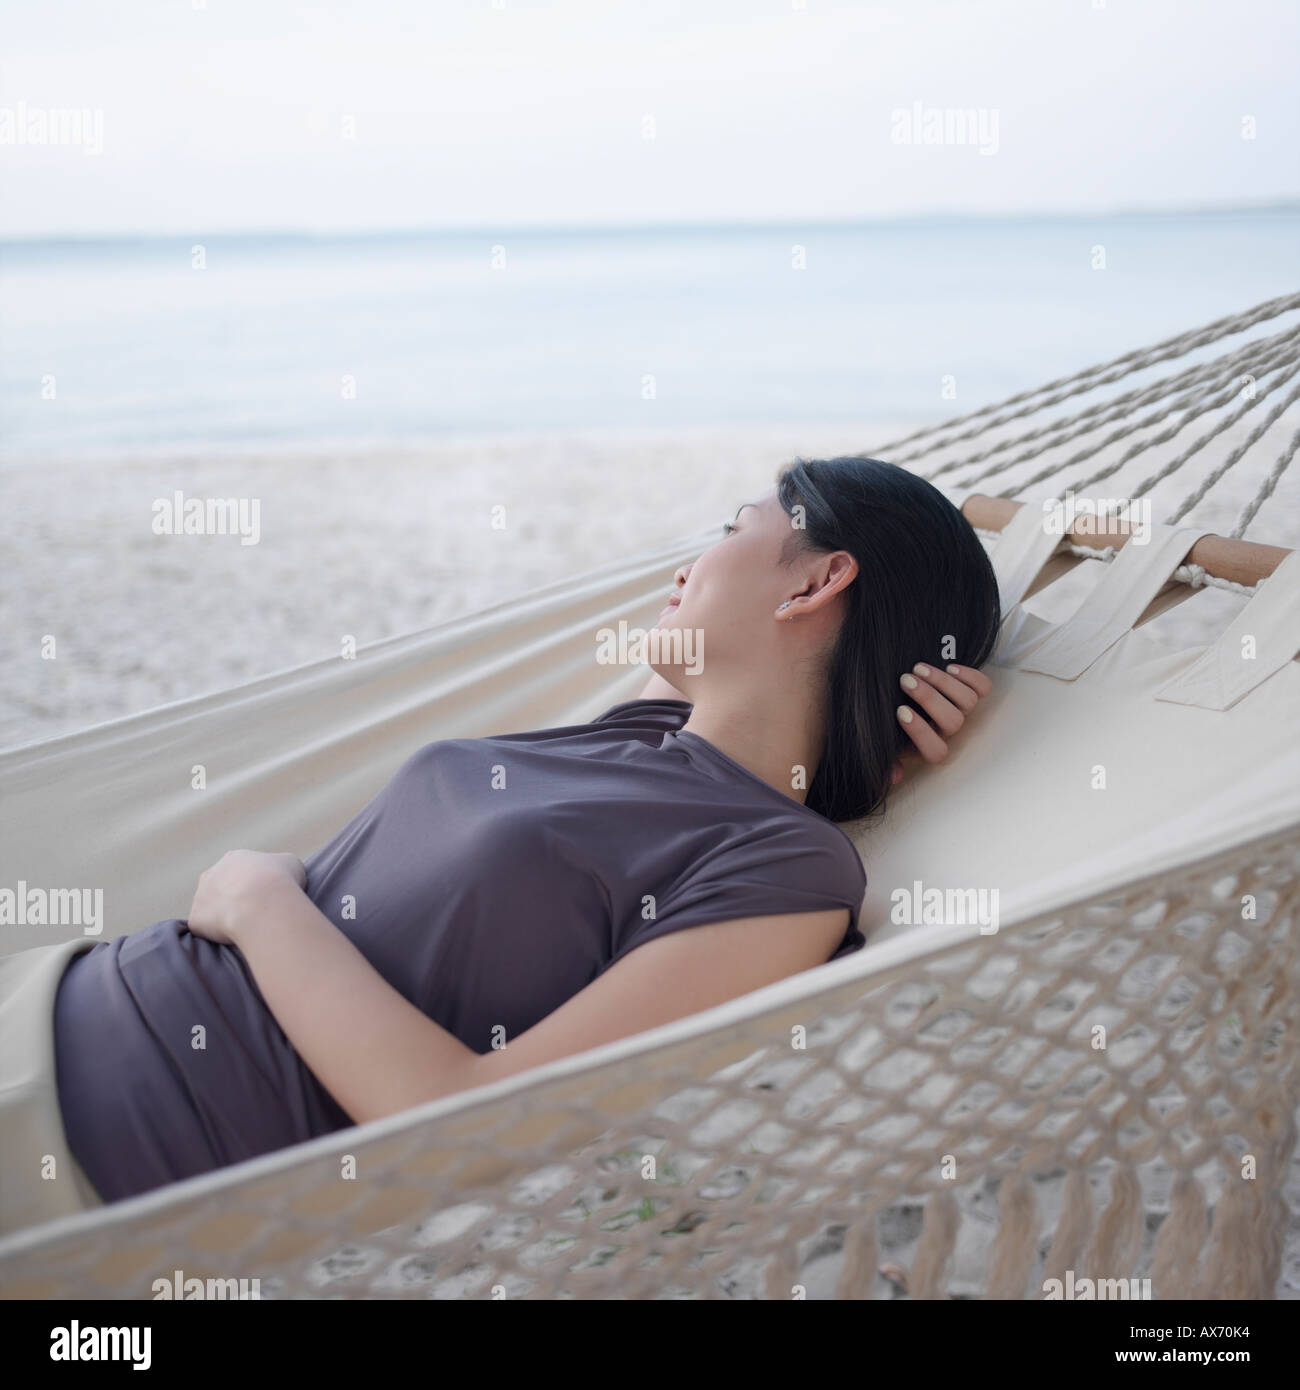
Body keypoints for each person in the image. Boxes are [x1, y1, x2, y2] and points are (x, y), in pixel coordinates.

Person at [4, 455, 999, 1235]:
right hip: (48, 994)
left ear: (817, 580)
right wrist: (880, 708)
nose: (685, 568)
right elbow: (766, 703)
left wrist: (263, 903)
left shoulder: (782, 867)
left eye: (733, 531)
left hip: (86, 1157)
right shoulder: (645, 735)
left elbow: (463, 1129)